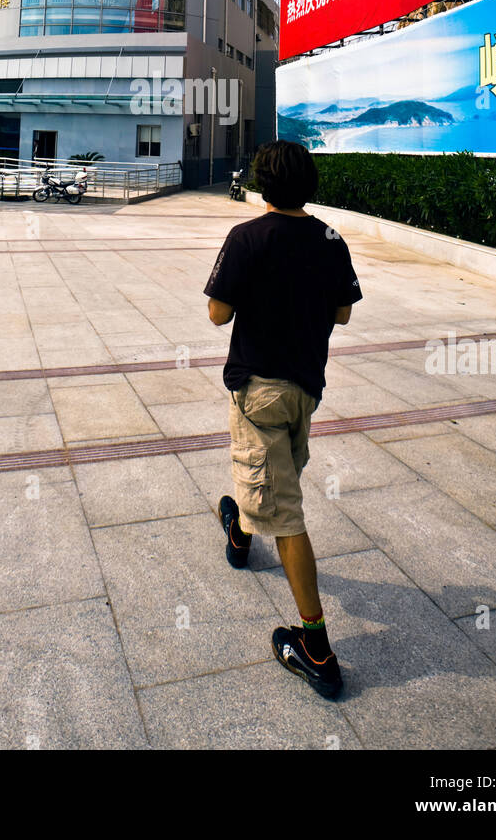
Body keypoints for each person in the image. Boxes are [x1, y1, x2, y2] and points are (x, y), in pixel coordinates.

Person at [204, 139, 363, 700]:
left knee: (286, 509)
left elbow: (218, 311)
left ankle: (316, 648)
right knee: (270, 479)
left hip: (259, 387)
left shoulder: (247, 237)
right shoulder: (330, 237)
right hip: (305, 391)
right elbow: (342, 313)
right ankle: (241, 536)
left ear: (261, 184)